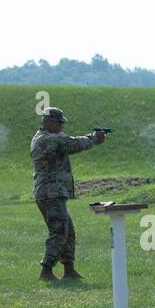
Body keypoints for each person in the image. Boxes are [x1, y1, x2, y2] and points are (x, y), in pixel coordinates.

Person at [30, 106, 104, 281]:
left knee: (68, 231)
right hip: (50, 192)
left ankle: (69, 269)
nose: (61, 127)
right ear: (49, 122)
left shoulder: (46, 137)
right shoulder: (47, 139)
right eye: (59, 123)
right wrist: (94, 138)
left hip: (52, 192)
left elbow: (66, 141)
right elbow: (73, 144)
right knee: (59, 231)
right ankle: (46, 270)